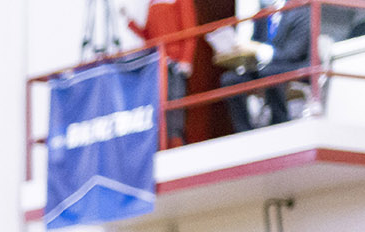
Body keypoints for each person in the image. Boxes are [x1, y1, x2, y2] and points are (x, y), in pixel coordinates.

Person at [220, 0, 313, 133]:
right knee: (230, 79)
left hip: (295, 66)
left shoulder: (300, 11)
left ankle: (279, 122)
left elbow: (294, 54)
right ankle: (243, 130)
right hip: (266, 67)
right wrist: (238, 52)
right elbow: (255, 46)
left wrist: (259, 50)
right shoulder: (262, 16)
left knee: (269, 72)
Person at [124, 0, 201, 143]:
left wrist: (186, 59)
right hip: (158, 63)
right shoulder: (152, 3)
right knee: (159, 107)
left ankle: (176, 142)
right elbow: (150, 36)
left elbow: (189, 28)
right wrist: (131, 24)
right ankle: (162, 142)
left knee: (174, 105)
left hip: (175, 63)